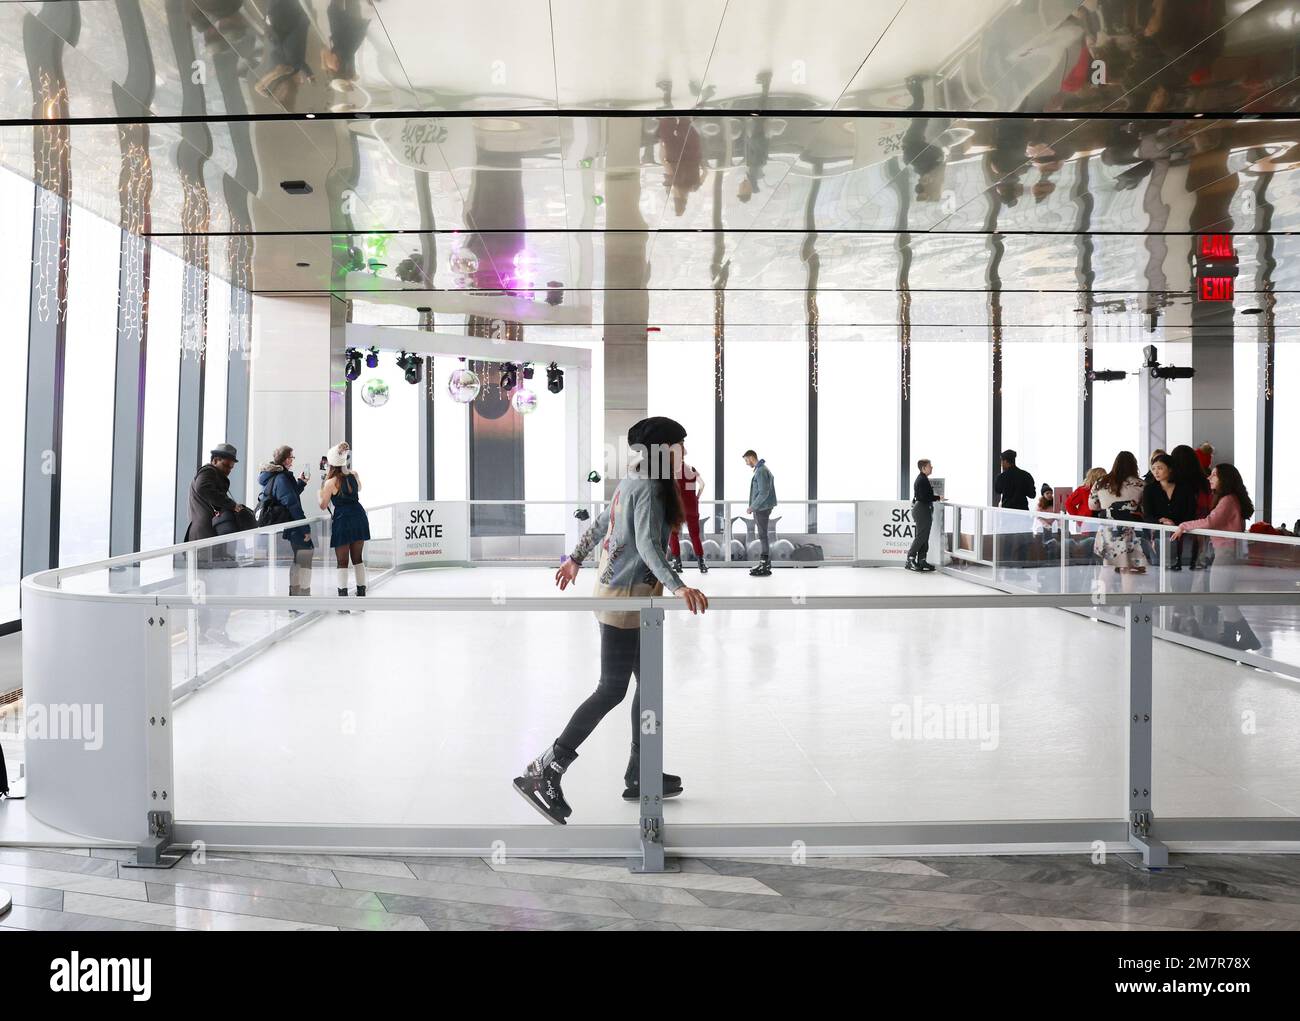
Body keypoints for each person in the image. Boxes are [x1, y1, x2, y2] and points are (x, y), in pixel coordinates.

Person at [515, 417, 708, 825]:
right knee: (611, 689)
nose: (685, 453)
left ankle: (641, 772)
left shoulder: (634, 479)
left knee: (648, 685)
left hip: (629, 598)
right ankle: (545, 769)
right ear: (662, 450)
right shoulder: (650, 488)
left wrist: (574, 558)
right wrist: (678, 587)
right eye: (680, 445)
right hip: (626, 602)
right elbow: (646, 545)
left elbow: (603, 523)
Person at [1173, 463, 1261, 651]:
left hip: (1226, 553)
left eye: (1214, 475)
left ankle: (1247, 636)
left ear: (1225, 479)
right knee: (1222, 594)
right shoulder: (1227, 499)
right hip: (1225, 552)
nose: (1209, 478)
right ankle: (1231, 635)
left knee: (1220, 594)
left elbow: (1211, 522)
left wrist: (1184, 526)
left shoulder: (1228, 500)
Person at [258, 445, 314, 601]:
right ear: (284, 459)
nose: (292, 460)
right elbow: (292, 504)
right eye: (291, 457)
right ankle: (300, 598)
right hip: (292, 523)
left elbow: (289, 496)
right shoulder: (282, 478)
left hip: (288, 523)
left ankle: (298, 598)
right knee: (304, 555)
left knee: (300, 557)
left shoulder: (276, 475)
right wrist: (305, 529)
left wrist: (301, 483)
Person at [318, 442, 369, 604]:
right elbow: (359, 488)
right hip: (359, 516)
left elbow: (323, 505)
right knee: (357, 558)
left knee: (342, 561)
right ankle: (361, 591)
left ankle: (343, 596)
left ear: (331, 463)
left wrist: (318, 493)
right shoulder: (354, 474)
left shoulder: (330, 483)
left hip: (343, 519)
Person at [1090, 450, 1148, 588]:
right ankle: (1128, 604)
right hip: (1129, 530)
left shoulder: (1100, 482)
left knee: (1107, 568)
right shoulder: (1141, 484)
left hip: (1107, 529)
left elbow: (1093, 505)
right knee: (1127, 569)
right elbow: (1145, 508)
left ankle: (1100, 601)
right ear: (1134, 465)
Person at [185, 443, 247, 543]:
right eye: (225, 465)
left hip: (205, 531)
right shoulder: (208, 471)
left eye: (231, 467)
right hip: (206, 533)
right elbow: (202, 487)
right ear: (214, 460)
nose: (228, 470)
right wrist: (231, 505)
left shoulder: (213, 475)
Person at [668, 460, 708, 574]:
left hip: (679, 507)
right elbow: (702, 484)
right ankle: (701, 563)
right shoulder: (692, 469)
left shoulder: (674, 471)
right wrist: (697, 497)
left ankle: (678, 563)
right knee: (695, 535)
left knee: (674, 534)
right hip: (692, 507)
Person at [744, 450, 778, 577]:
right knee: (762, 535)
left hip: (762, 508)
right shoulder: (761, 469)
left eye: (747, 460)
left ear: (752, 457)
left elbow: (764, 492)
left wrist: (752, 507)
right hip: (762, 507)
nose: (747, 463)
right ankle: (765, 563)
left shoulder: (762, 471)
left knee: (763, 535)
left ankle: (764, 564)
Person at [906, 458, 940, 572]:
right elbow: (923, 497)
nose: (932, 467)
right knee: (921, 536)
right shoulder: (921, 480)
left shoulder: (923, 478)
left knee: (924, 536)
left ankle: (922, 560)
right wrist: (938, 497)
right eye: (930, 466)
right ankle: (910, 559)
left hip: (923, 508)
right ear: (923, 468)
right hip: (922, 509)